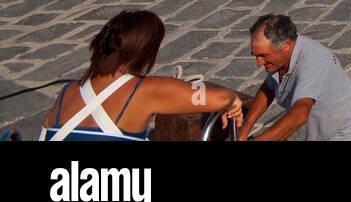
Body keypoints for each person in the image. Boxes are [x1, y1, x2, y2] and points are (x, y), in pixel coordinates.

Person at [40, 10, 243, 141]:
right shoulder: (146, 90)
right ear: (146, 52)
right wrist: (233, 103)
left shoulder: (68, 90)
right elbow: (223, 98)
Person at [241, 14, 351, 141]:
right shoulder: (279, 57)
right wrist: (244, 129)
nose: (259, 63)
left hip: (347, 132)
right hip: (318, 131)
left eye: (264, 55)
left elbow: (300, 114)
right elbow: (269, 87)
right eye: (255, 55)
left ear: (286, 44)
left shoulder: (313, 62)